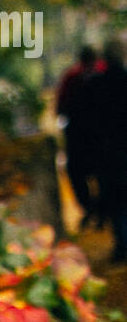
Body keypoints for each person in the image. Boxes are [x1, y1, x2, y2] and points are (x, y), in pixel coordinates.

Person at [86, 40, 127, 263]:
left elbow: (88, 124)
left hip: (106, 152)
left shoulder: (94, 86)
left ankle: (122, 244)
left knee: (115, 199)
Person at [56, 45, 104, 226]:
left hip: (80, 137)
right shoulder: (102, 71)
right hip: (99, 137)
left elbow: (60, 107)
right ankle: (97, 209)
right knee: (99, 175)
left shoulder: (72, 76)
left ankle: (91, 207)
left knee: (77, 173)